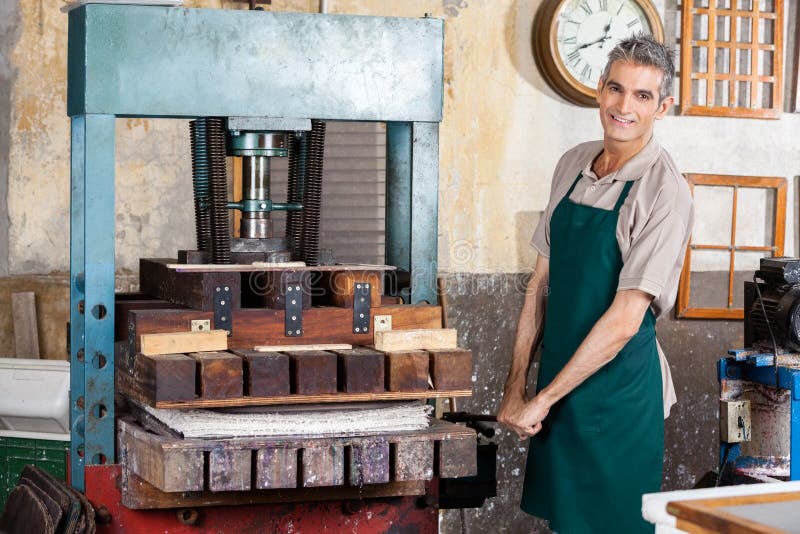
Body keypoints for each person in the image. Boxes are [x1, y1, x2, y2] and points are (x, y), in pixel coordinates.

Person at [497, 34, 693, 533]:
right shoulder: (571, 164)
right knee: (565, 523)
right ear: (599, 91)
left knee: (612, 524)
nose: (624, 107)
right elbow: (540, 283)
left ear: (663, 106)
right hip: (559, 385)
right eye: (616, 89)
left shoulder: (666, 189)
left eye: (643, 96)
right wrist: (516, 385)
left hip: (619, 394)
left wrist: (542, 400)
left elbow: (627, 318)